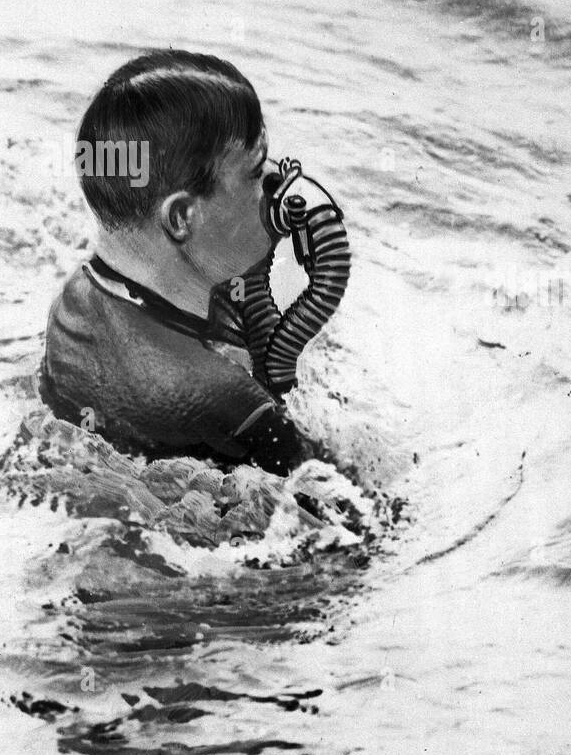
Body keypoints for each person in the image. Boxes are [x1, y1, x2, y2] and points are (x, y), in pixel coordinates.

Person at [39, 51, 350, 475]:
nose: (278, 185)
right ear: (182, 217)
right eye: (257, 174)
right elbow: (340, 507)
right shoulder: (225, 396)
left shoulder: (74, 301)